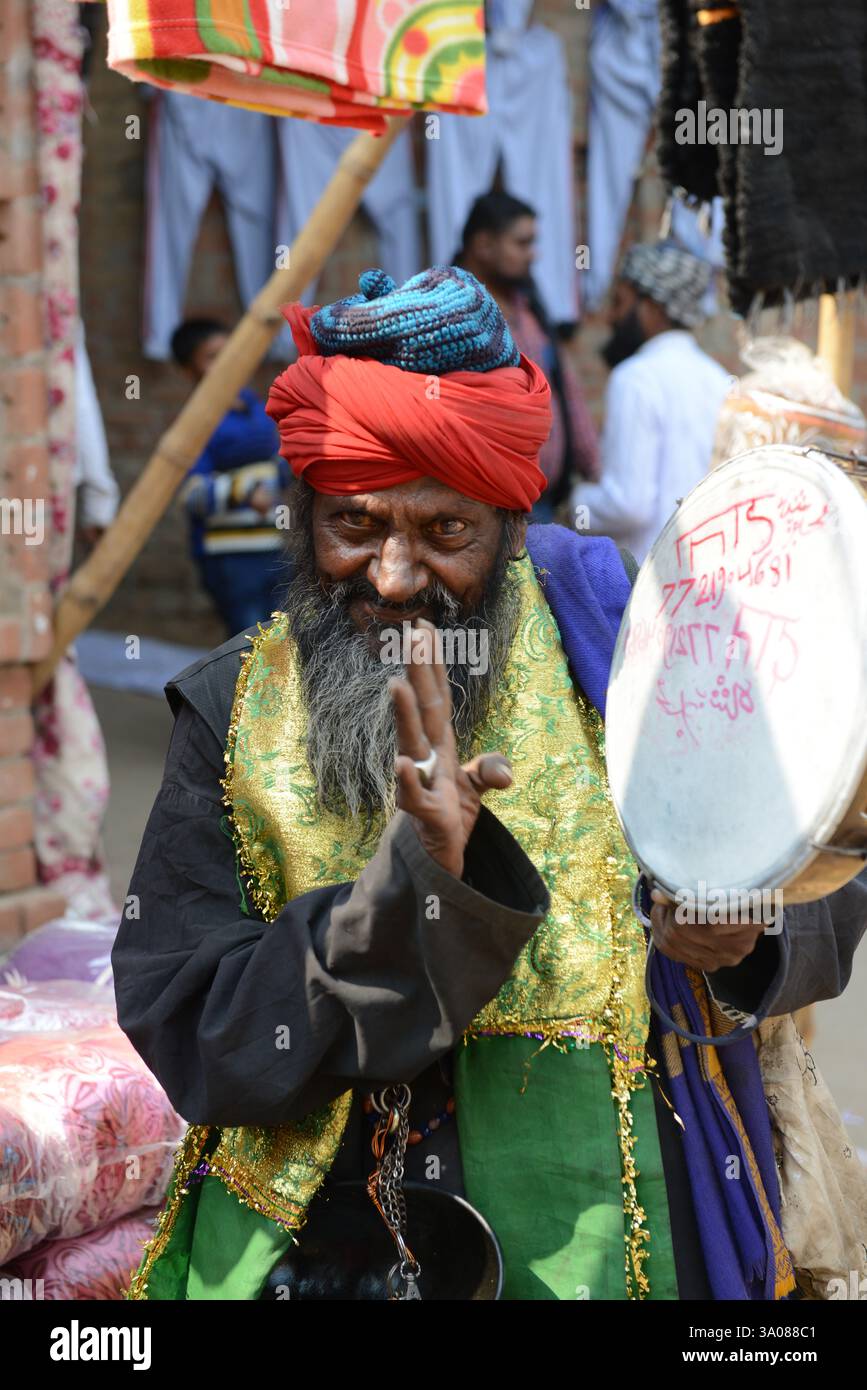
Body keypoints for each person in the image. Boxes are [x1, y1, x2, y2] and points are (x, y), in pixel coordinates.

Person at [114, 267, 867, 1302]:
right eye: (355, 526)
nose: (392, 576)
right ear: (305, 515)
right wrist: (408, 894)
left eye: (445, 533)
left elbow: (812, 838)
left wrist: (741, 929)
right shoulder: (230, 709)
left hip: (620, 1225)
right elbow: (188, 1028)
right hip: (321, 1249)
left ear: (510, 527)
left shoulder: (617, 627)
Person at [572, 242, 731, 562]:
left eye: (620, 302)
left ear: (653, 308)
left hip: (650, 583)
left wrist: (576, 502)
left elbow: (628, 505)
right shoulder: (720, 378)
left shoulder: (635, 377)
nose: (611, 317)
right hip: (709, 578)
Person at [457, 191, 599, 520]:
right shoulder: (455, 315)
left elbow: (564, 387)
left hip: (543, 505)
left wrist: (590, 462)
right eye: (522, 244)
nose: (532, 255)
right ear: (483, 245)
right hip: (487, 506)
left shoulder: (529, 307)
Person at [171, 317, 291, 634]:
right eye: (212, 357)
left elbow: (276, 465)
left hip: (270, 545)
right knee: (248, 641)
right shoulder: (196, 422)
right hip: (228, 554)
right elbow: (192, 494)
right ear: (188, 371)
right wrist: (246, 493)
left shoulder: (255, 408)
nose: (226, 364)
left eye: (231, 352)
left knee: (280, 639)